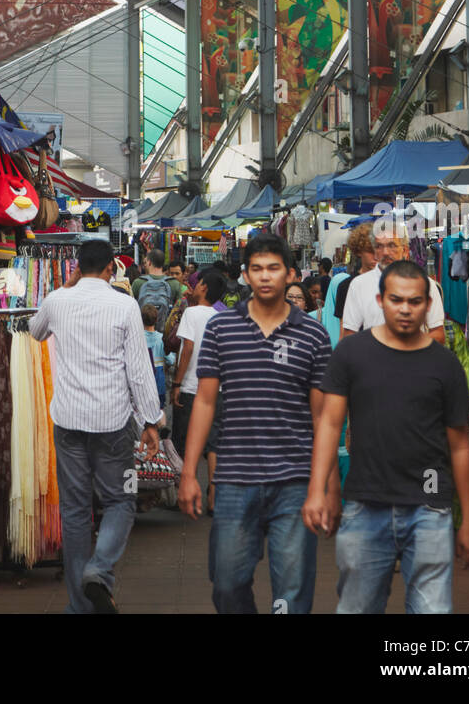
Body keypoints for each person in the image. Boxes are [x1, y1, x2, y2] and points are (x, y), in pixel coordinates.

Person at [303, 260, 469, 613]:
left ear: (428, 306)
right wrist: (318, 491)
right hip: (366, 504)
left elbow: (460, 445)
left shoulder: (445, 364)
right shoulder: (352, 354)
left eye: (415, 301)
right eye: (396, 299)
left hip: (430, 505)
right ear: (380, 300)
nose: (405, 309)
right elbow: (329, 424)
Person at [179, 235, 338, 614]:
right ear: (246, 275)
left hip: (296, 480)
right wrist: (188, 473)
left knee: (292, 594)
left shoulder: (313, 335)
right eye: (257, 269)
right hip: (235, 478)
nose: (265, 277)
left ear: (289, 274)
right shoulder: (221, 329)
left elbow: (324, 417)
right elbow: (204, 400)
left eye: (273, 268)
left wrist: (328, 486)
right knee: (227, 585)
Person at [29, 238, 161, 614]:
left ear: (76, 268)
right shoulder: (125, 305)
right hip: (112, 423)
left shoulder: (56, 301)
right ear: (110, 269)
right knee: (121, 500)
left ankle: (79, 606)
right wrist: (151, 421)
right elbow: (138, 369)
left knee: (74, 511)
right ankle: (99, 571)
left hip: (68, 421)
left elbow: (34, 332)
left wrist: (65, 289)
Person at [341, 223, 445, 344]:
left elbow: (438, 334)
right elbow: (349, 335)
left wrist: (409, 347)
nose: (385, 252)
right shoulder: (359, 285)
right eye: (379, 246)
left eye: (392, 245)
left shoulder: (426, 284)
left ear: (405, 250)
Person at [172, 267, 226, 456]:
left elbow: (187, 348)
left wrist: (177, 383)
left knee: (185, 443)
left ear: (203, 288)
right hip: (215, 389)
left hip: (191, 387)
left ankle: (185, 482)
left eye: (197, 284)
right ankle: (211, 486)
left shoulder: (191, 313)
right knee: (212, 445)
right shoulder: (221, 317)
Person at [133, 250, 182, 330]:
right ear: (163, 264)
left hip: (143, 332)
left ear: (149, 263)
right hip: (166, 334)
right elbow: (180, 309)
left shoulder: (138, 282)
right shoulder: (174, 283)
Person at [141, 304, 167, 404]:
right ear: (156, 320)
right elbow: (171, 359)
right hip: (158, 379)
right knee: (158, 410)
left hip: (143, 378)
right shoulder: (162, 338)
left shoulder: (138, 338)